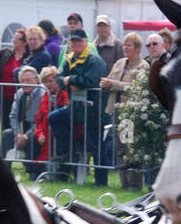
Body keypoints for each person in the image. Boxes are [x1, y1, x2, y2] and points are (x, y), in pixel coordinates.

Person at [49, 28, 106, 183]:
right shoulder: (69, 58)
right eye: (73, 41)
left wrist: (71, 80)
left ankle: (101, 181)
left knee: (95, 145)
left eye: (78, 41)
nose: (75, 44)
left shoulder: (95, 60)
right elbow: (59, 79)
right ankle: (69, 152)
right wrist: (69, 82)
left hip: (93, 109)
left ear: (85, 42)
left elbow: (90, 81)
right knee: (54, 117)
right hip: (74, 107)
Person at [100, 32, 147, 188]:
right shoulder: (120, 63)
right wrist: (105, 84)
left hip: (131, 112)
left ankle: (134, 184)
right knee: (121, 148)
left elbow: (136, 87)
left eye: (129, 45)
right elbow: (110, 79)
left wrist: (113, 84)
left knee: (131, 147)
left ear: (138, 48)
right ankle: (124, 183)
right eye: (124, 45)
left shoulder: (143, 65)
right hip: (116, 109)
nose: (125, 48)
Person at [25, 66, 64, 179]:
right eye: (45, 82)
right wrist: (39, 133)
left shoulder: (63, 95)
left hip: (57, 133)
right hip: (44, 133)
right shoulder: (45, 97)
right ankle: (33, 172)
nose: (48, 84)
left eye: (51, 81)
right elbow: (38, 121)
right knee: (32, 139)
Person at [9, 65, 45, 163]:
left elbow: (41, 121)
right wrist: (18, 134)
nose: (25, 83)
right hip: (23, 128)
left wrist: (26, 136)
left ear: (37, 80)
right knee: (6, 134)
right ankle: (4, 168)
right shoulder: (19, 93)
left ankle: (33, 169)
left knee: (32, 137)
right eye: (23, 81)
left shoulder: (43, 94)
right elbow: (13, 116)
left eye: (28, 80)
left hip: (38, 128)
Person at [0, 28, 28, 137]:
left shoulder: (28, 57)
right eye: (13, 37)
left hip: (20, 97)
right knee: (5, 125)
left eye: (17, 38)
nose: (13, 40)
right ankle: (7, 149)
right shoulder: (6, 53)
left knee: (19, 125)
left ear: (25, 42)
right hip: (3, 96)